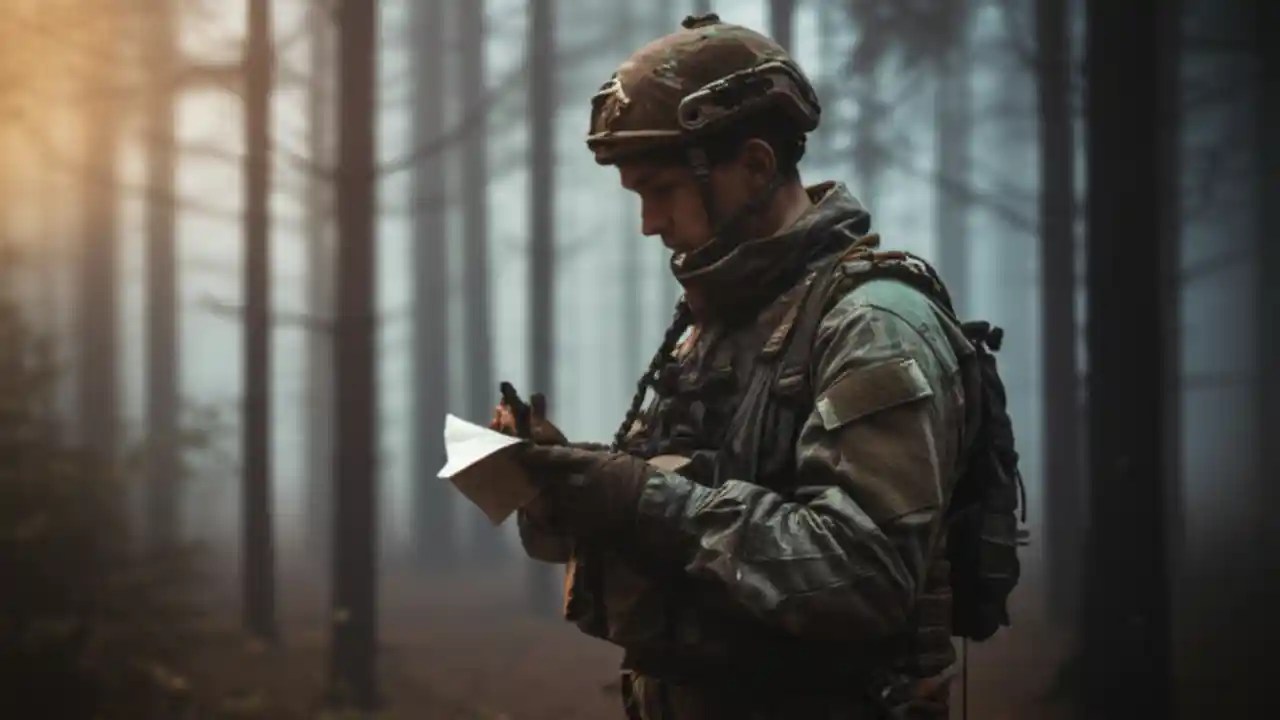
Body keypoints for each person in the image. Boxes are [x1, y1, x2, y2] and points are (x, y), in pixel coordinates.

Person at [491, 13, 1022, 720]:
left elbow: (863, 574)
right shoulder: (727, 322)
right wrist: (562, 482)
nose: (649, 223)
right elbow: (671, 522)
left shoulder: (872, 324)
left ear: (755, 167)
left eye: (662, 190)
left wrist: (642, 498)